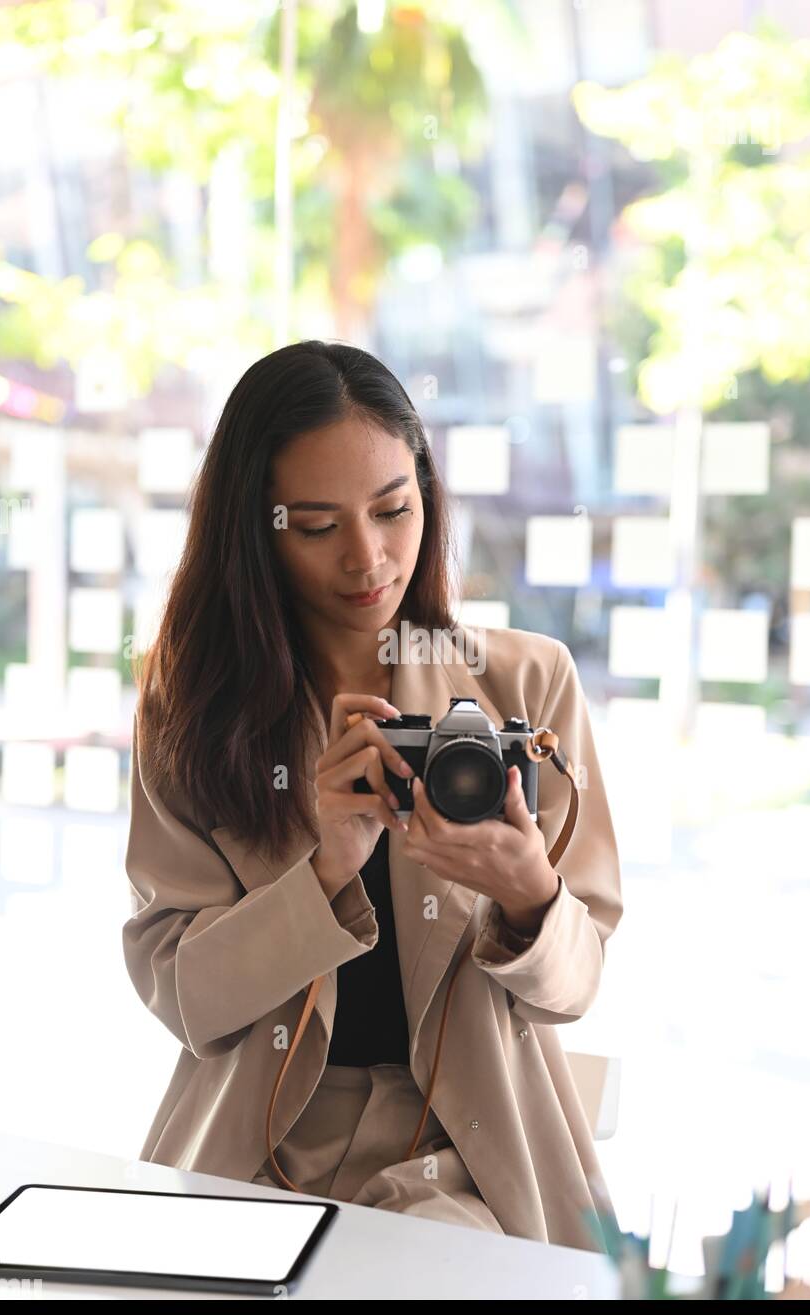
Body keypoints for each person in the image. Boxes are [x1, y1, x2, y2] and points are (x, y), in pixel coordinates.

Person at [123, 339, 625, 1251]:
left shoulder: (525, 684)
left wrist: (529, 897)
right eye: (315, 526)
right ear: (255, 528)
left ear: (427, 493)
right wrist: (323, 874)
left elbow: (577, 982)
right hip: (258, 1152)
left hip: (469, 1158)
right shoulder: (194, 708)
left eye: (395, 510)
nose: (368, 558)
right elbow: (184, 997)